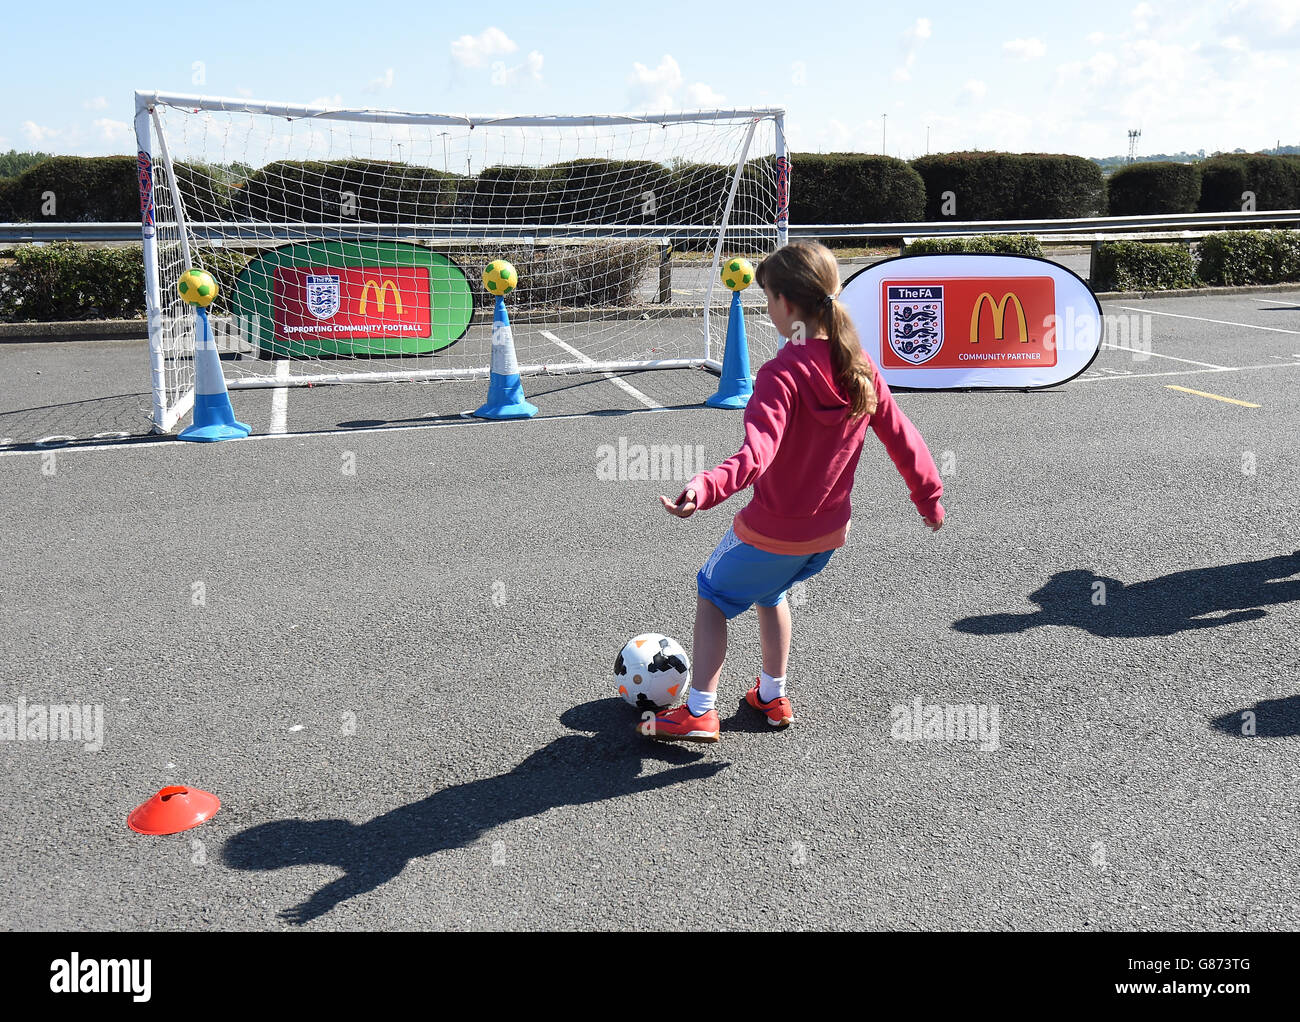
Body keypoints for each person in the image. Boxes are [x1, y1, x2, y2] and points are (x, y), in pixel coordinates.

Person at [643, 242, 945, 743]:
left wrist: (702, 487)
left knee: (712, 593)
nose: (767, 309)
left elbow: (755, 455)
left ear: (786, 303)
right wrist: (929, 499)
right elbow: (903, 436)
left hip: (772, 531)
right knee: (772, 589)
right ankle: (771, 693)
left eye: (766, 298)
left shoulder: (780, 374)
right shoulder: (859, 366)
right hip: (826, 538)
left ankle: (699, 710)